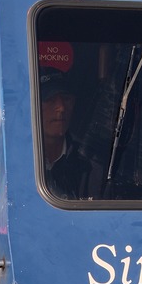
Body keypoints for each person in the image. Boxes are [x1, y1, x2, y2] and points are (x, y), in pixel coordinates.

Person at [38, 68, 97, 199]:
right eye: (50, 99)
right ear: (32, 106)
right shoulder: (15, 163)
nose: (61, 107)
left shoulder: (89, 164)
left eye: (66, 98)